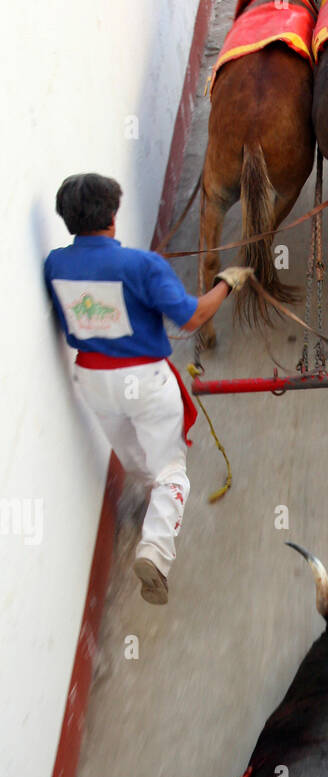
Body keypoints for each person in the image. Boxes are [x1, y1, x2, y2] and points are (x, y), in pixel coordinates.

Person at [45, 172, 253, 603]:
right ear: (113, 217)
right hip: (145, 379)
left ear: (68, 220)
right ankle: (156, 551)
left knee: (136, 457)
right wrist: (224, 285)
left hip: (92, 379)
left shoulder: (55, 264)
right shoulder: (143, 266)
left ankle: (148, 504)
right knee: (173, 472)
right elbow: (192, 318)